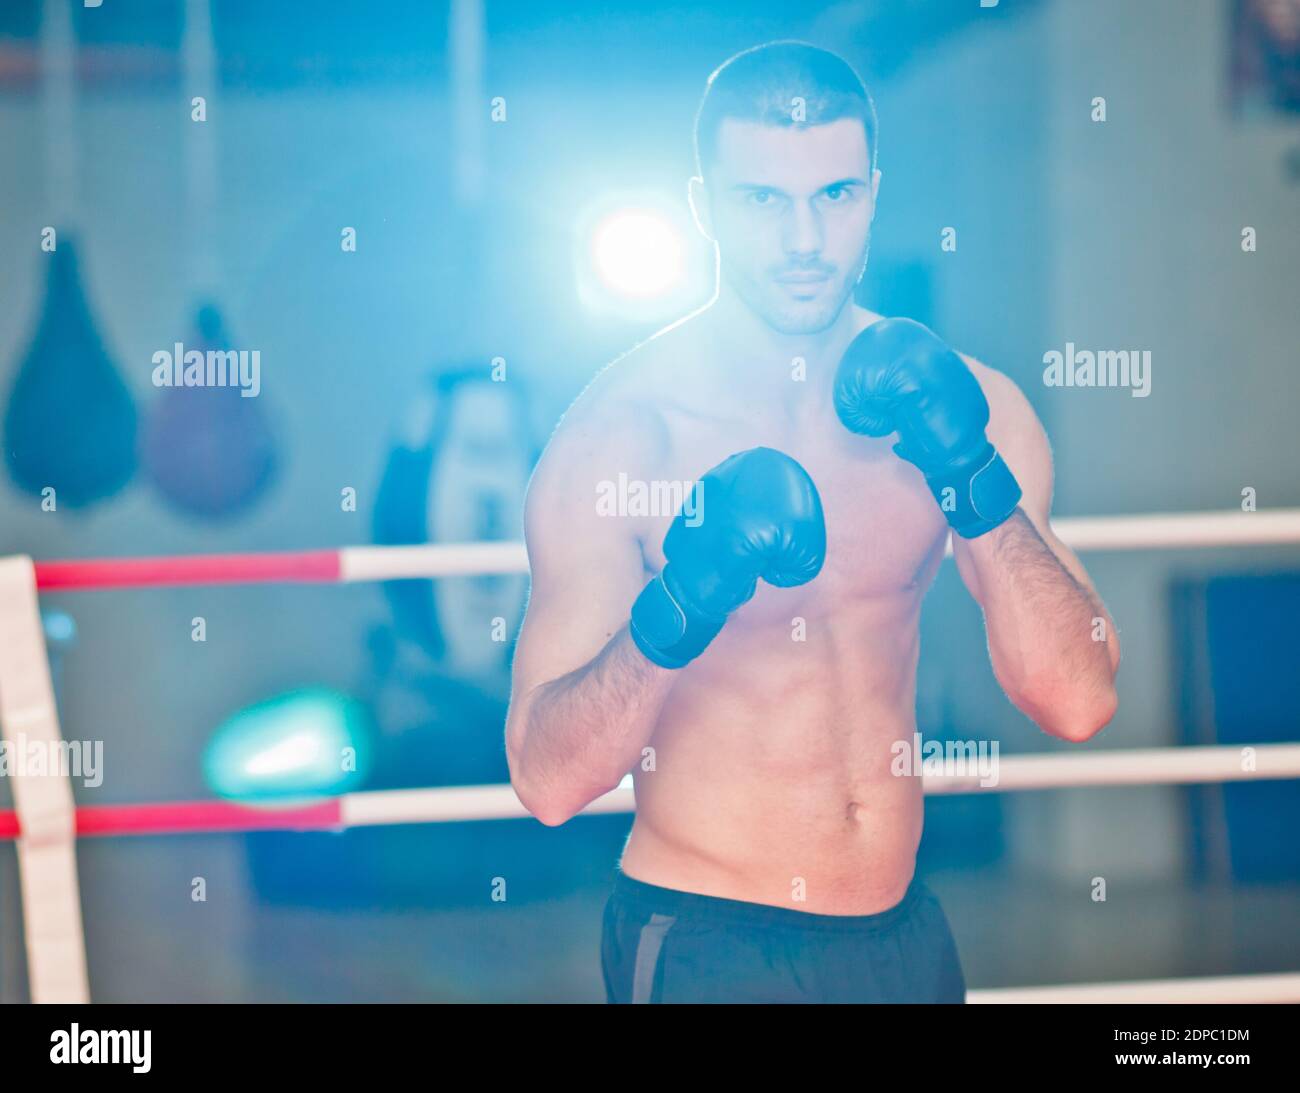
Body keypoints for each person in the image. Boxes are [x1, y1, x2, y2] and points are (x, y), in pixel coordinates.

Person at [506, 41, 1120, 1003]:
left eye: (834, 195)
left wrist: (970, 474)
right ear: (703, 204)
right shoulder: (621, 440)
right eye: (762, 200)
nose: (804, 239)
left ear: (874, 192)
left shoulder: (969, 406)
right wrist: (682, 598)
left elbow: (1077, 698)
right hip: (708, 939)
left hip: (903, 936)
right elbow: (547, 780)